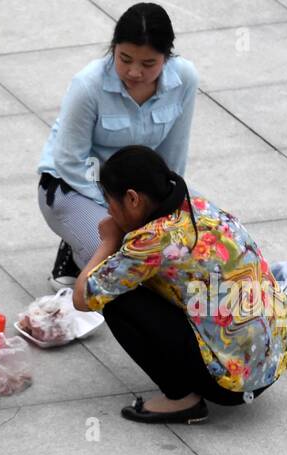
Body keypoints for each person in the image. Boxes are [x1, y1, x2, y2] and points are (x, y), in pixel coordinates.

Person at [73, 146, 287, 423]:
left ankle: (180, 399)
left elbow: (82, 297)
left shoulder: (151, 241)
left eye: (109, 201)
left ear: (132, 199)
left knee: (117, 301)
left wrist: (108, 241)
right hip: (274, 354)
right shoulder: (199, 207)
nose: (108, 210)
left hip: (234, 384)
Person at [38, 3, 197, 287]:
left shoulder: (184, 79)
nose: (134, 72)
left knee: (202, 236)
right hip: (76, 185)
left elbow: (173, 156)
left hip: (135, 194)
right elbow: (71, 161)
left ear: (166, 57)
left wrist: (161, 207)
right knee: (121, 261)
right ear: (113, 48)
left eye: (149, 64)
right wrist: (119, 211)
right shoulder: (88, 84)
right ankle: (75, 252)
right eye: (125, 59)